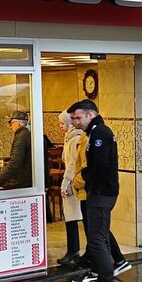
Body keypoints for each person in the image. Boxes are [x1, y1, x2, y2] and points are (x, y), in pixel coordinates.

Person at [68, 99, 126, 282]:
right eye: (73, 118)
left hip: (101, 194)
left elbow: (98, 166)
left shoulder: (100, 133)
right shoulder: (94, 132)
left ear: (90, 115)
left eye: (78, 117)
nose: (75, 122)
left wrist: (84, 179)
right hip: (99, 192)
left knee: (97, 241)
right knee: (97, 239)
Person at [57, 111, 84, 266]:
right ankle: (73, 250)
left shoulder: (74, 139)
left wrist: (65, 183)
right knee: (71, 218)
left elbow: (72, 164)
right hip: (72, 182)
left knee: (73, 218)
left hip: (74, 183)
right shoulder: (70, 137)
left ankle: (74, 250)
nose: (61, 126)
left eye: (62, 123)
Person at [0, 111, 32, 189]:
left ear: (18, 123)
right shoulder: (26, 133)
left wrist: (0, 179)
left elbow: (15, 161)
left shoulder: (22, 135)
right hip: (27, 178)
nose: (10, 127)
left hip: (23, 180)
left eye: (11, 124)